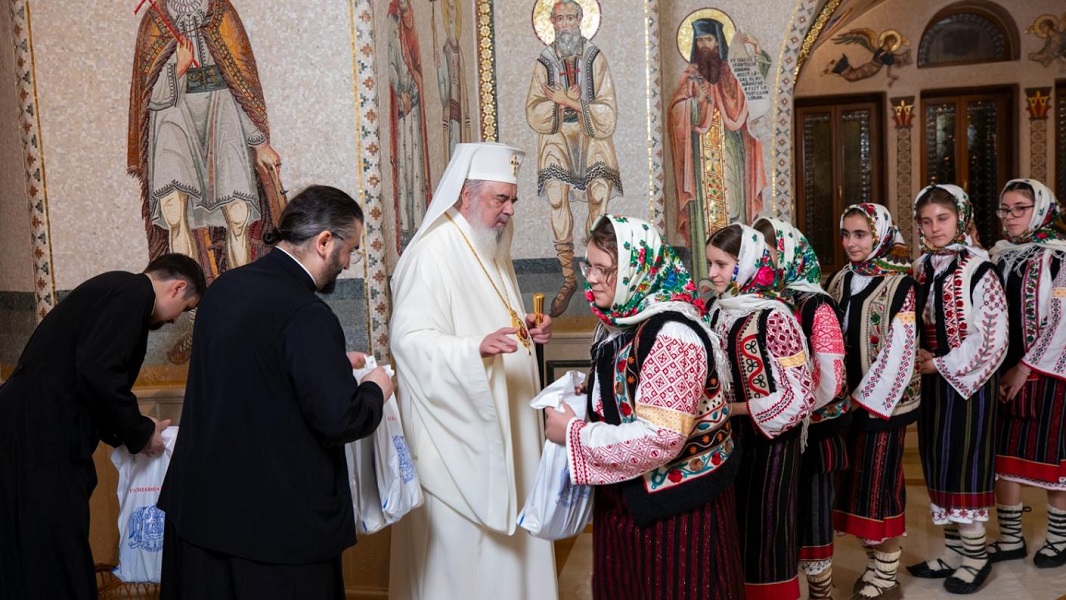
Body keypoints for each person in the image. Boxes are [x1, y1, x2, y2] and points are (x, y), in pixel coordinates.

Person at [157, 186, 393, 599]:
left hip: (200, 515)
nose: (348, 262)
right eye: (349, 249)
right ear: (323, 242)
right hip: (275, 532)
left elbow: (255, 374)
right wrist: (375, 390)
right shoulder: (307, 314)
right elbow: (340, 418)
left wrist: (331, 364)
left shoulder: (226, 289)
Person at [388, 142, 556, 599]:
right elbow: (409, 342)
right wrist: (471, 350)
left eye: (513, 199)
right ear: (466, 195)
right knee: (464, 566)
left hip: (511, 433)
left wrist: (524, 329)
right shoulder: (432, 254)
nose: (508, 210)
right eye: (499, 199)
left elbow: (489, 314)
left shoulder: (492, 246)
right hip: (460, 444)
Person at [544, 214, 744, 599]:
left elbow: (663, 436)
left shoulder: (674, 334)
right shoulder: (621, 322)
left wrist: (573, 435)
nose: (592, 279)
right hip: (631, 500)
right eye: (589, 266)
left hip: (678, 512)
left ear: (639, 270)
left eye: (605, 270)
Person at [0, 254, 205, 600]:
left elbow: (94, 380)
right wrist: (141, 434)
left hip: (31, 424)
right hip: (39, 430)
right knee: (56, 536)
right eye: (185, 309)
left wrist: (137, 427)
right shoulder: (132, 294)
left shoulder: (119, 289)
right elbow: (98, 372)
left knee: (35, 536)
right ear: (178, 287)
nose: (174, 322)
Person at [129, 0, 283, 280]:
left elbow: (240, 81)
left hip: (221, 113)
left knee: (237, 215)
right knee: (175, 214)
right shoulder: (156, 19)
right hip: (172, 119)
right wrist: (178, 67)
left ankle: (241, 295)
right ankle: (192, 303)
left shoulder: (222, 14)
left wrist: (258, 142)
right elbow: (147, 95)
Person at [908, 184, 1008, 595]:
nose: (934, 229)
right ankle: (953, 552)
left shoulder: (979, 270)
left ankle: (976, 555)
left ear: (962, 218)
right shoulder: (921, 267)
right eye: (926, 222)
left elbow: (993, 337)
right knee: (938, 461)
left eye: (943, 219)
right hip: (933, 381)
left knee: (965, 465)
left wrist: (942, 364)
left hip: (969, 383)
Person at [706, 224, 815, 600]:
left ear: (748, 263)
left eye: (722, 264)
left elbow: (800, 395)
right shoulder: (719, 309)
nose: (713, 273)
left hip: (772, 446)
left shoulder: (775, 317)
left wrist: (735, 409)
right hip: (731, 441)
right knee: (737, 532)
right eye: (710, 263)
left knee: (768, 535)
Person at [826, 203, 920, 600]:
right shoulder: (840, 279)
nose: (851, 243)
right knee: (854, 485)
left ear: (880, 235)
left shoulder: (901, 284)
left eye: (860, 235)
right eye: (846, 234)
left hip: (883, 404)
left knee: (879, 488)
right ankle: (873, 561)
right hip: (845, 404)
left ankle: (885, 570)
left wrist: (863, 400)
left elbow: (899, 352)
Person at [754, 217, 848, 599]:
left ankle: (821, 592)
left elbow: (831, 377)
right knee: (786, 516)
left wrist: (797, 410)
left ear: (789, 252)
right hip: (784, 428)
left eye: (772, 251)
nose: (766, 259)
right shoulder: (771, 300)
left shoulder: (815, 304)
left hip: (815, 429)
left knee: (813, 517)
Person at [986, 179, 1066, 569]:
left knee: (1054, 456)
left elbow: (1063, 320)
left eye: (1020, 208)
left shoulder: (1060, 257)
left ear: (1040, 210)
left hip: (1049, 371)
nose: (1011, 216)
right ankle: (1011, 538)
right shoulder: (997, 256)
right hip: (1001, 369)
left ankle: (1059, 538)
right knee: (1004, 455)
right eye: (1005, 208)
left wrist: (1025, 367)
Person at [526, 0, 621, 317]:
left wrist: (573, 103)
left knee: (597, 193)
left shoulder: (595, 58)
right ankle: (569, 278)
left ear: (581, 20)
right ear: (552, 22)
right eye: (560, 18)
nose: (566, 23)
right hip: (557, 136)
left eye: (571, 18)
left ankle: (601, 271)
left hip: (591, 134)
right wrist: (559, 105)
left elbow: (607, 111)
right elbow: (534, 110)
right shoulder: (545, 60)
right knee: (556, 195)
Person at [669, 18, 769, 277]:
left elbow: (754, 91)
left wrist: (756, 52)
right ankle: (706, 276)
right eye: (700, 41)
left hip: (731, 154)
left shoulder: (731, 72)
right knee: (705, 217)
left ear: (718, 42)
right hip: (701, 163)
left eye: (709, 40)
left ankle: (740, 272)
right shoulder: (690, 75)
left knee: (734, 208)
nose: (704, 46)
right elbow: (675, 113)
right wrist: (694, 105)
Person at [389, 0, 433, 250]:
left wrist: (413, 91)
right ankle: (407, 227)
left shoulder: (409, 29)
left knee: (415, 163)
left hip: (412, 106)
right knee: (405, 164)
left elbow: (414, 63)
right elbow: (394, 60)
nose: (406, 7)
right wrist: (400, 89)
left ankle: (418, 225)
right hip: (403, 109)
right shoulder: (391, 24)